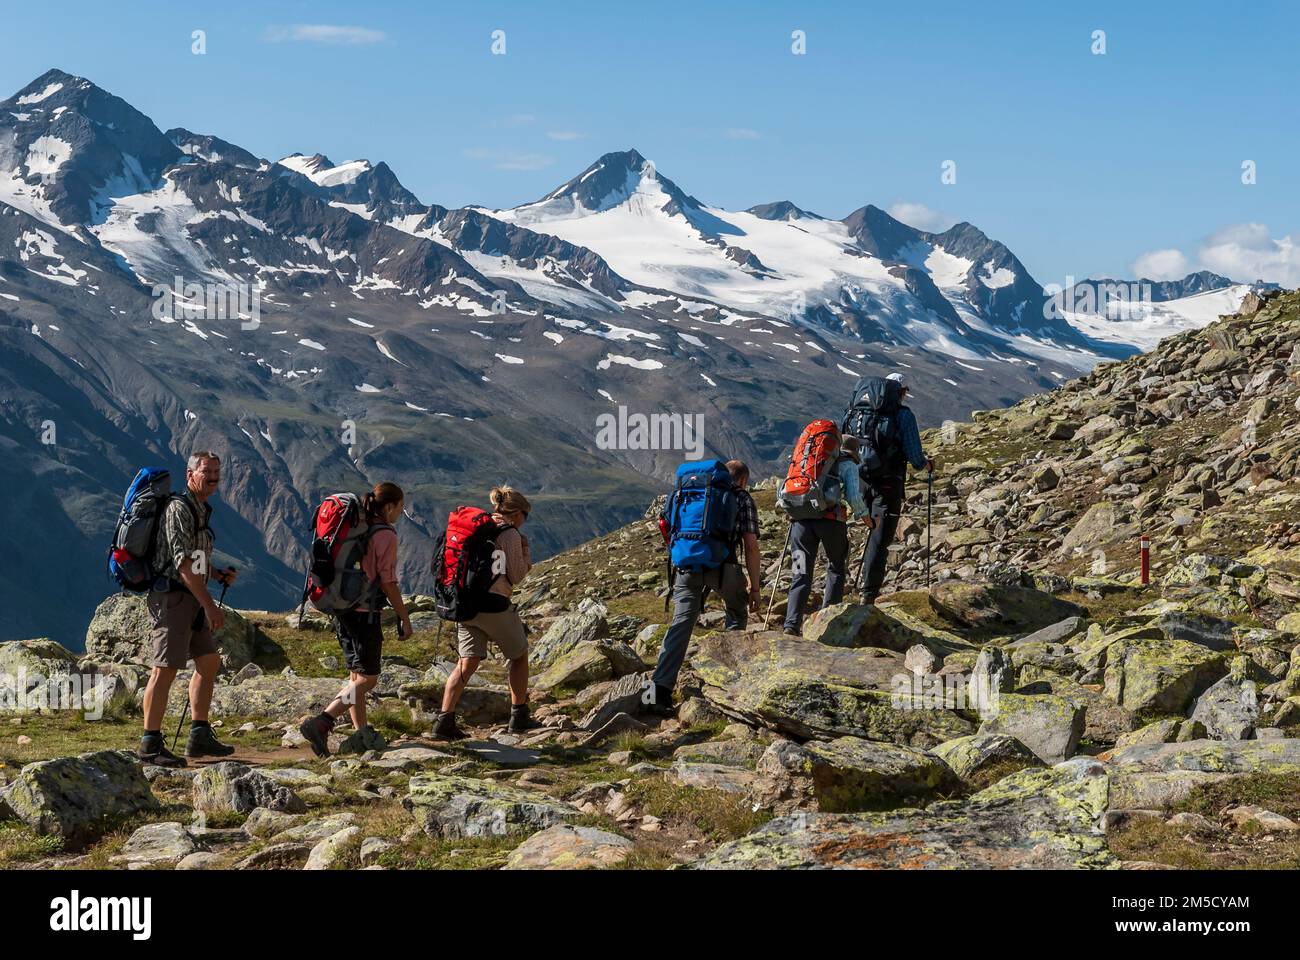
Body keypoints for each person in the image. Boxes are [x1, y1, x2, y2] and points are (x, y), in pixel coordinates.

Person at [137, 451, 239, 767]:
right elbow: (181, 563)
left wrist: (217, 572)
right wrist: (210, 606)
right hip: (173, 599)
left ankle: (199, 734)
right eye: (207, 471)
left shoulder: (200, 509)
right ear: (190, 474)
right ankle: (150, 744)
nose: (213, 477)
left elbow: (194, 556)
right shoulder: (179, 509)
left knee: (208, 663)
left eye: (217, 472)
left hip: (191, 597)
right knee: (165, 669)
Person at [299, 482, 412, 757]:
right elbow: (388, 581)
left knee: (356, 675)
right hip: (365, 613)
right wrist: (404, 616)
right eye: (400, 507)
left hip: (343, 608)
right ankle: (324, 720)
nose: (401, 512)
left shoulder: (359, 525)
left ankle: (361, 730)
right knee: (369, 679)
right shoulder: (386, 534)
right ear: (389, 506)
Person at [649, 460, 762, 715]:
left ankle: (659, 690)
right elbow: (751, 546)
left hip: (686, 567)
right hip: (724, 568)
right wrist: (755, 589)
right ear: (742, 480)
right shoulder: (740, 497)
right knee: (736, 610)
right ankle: (729, 683)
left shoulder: (685, 493)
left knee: (681, 623)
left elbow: (665, 525)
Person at [434, 485, 539, 739]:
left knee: (466, 663)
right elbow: (516, 574)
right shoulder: (509, 534)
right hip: (493, 605)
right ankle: (519, 715)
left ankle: (443, 721)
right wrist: (525, 553)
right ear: (517, 513)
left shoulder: (479, 528)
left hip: (464, 605)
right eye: (526, 515)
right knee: (519, 655)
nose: (526, 521)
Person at [782, 434, 872, 635]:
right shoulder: (847, 464)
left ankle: (791, 624)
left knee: (800, 571)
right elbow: (853, 497)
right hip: (831, 524)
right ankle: (829, 617)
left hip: (799, 525)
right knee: (836, 567)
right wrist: (869, 520)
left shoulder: (808, 462)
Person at [859, 372, 933, 604]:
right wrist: (926, 464)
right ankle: (869, 594)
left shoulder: (861, 412)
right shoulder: (903, 415)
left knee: (871, 531)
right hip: (888, 483)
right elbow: (915, 455)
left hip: (862, 480)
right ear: (900, 392)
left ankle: (857, 585)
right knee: (881, 539)